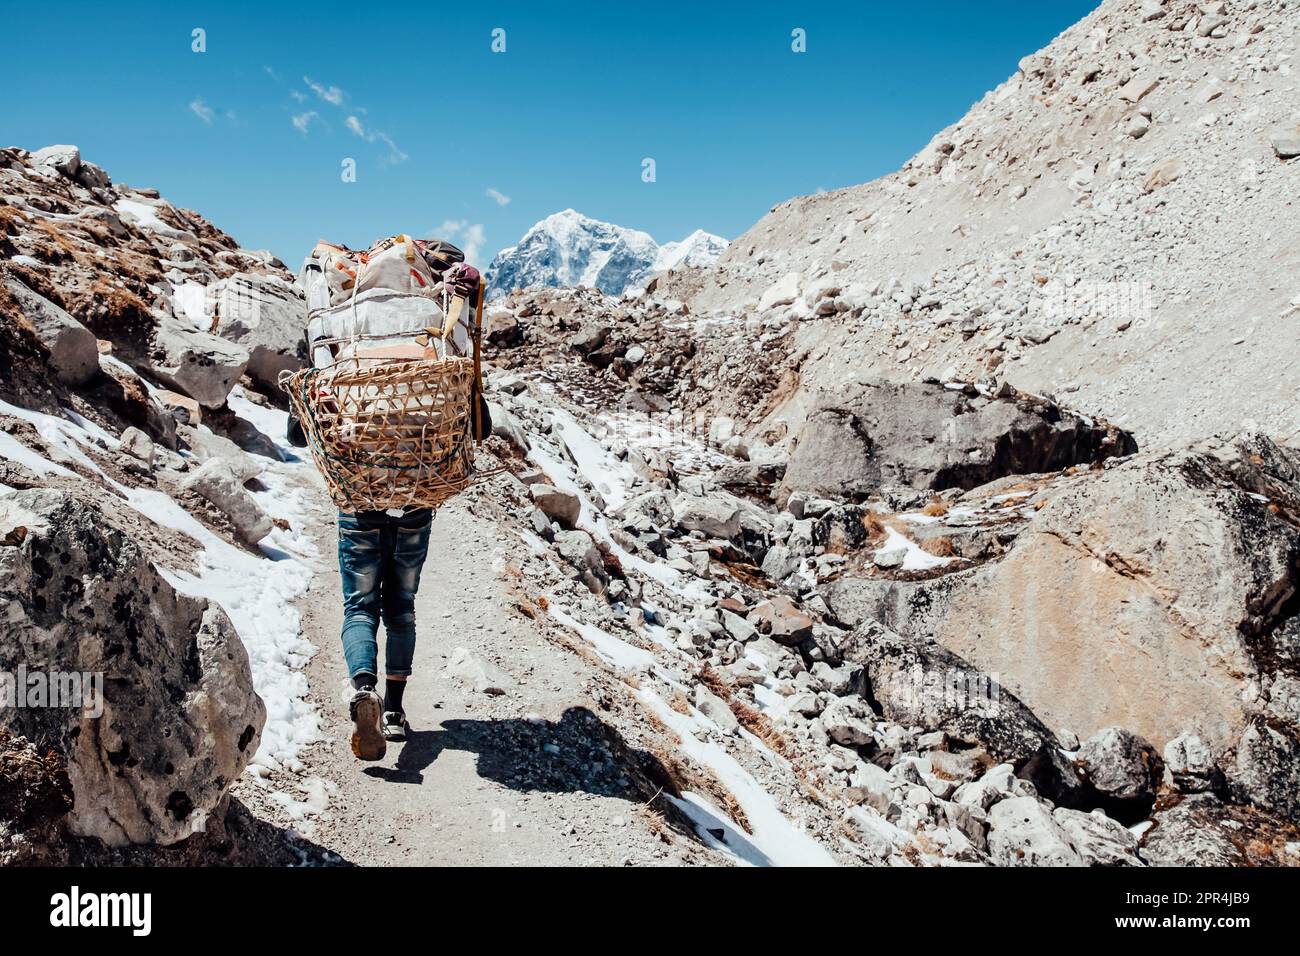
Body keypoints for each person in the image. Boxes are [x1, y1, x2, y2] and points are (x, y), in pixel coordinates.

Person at [336, 506, 433, 760]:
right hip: (413, 512)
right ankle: (392, 711)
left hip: (361, 512)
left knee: (359, 609)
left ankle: (365, 689)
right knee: (401, 609)